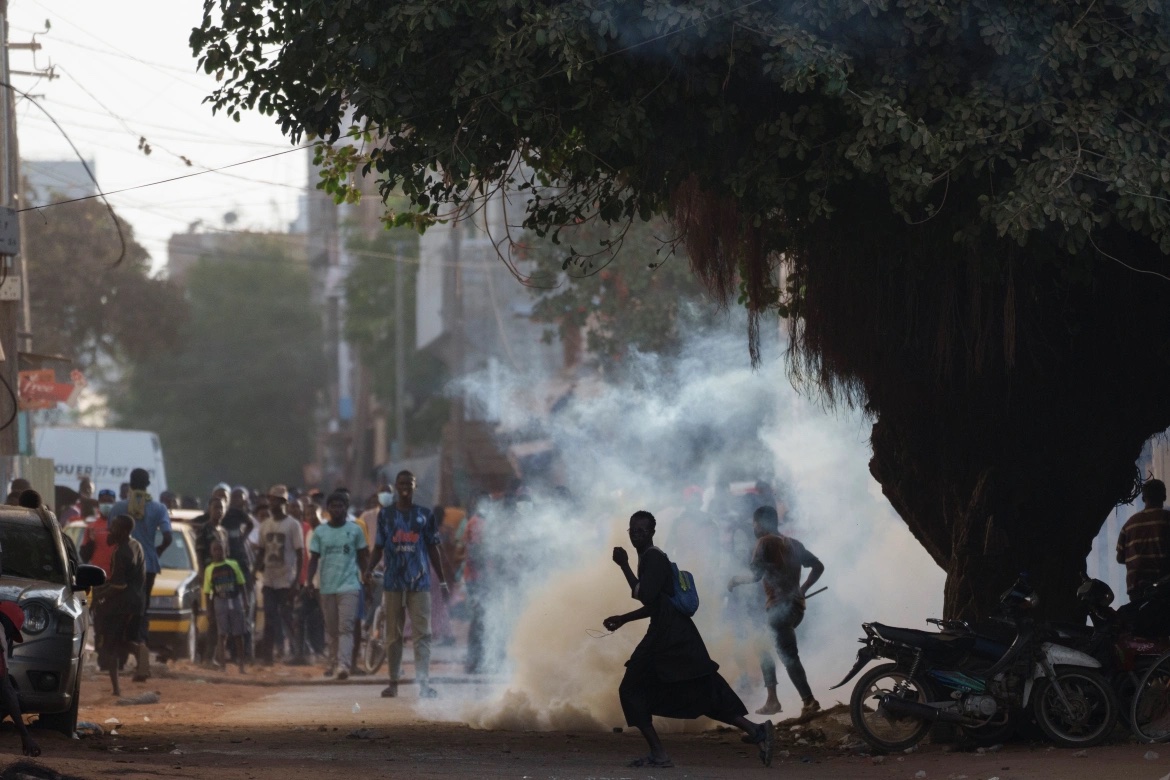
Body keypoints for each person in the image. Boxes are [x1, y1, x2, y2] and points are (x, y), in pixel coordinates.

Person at [604, 510, 773, 769]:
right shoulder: (649, 557)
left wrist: (624, 565)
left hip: (667, 637)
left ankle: (659, 754)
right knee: (702, 691)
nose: (636, 535)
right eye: (632, 530)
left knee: (631, 689)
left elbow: (646, 596)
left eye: (641, 531)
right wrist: (624, 619)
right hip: (676, 635)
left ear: (651, 532)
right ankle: (756, 731)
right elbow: (657, 604)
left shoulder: (653, 558)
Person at [727, 505, 824, 717]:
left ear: (761, 524)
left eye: (754, 524)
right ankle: (773, 700)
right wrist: (803, 589)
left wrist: (735, 580)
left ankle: (808, 701)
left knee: (788, 655)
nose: (753, 528)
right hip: (796, 608)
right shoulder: (794, 543)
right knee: (766, 647)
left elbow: (755, 576)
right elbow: (818, 566)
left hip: (779, 608)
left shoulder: (764, 542)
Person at [366, 470, 449, 698]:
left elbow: (433, 548)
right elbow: (378, 547)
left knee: (423, 634)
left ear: (414, 486)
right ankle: (393, 682)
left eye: (409, 483)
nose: (405, 487)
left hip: (419, 583)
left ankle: (424, 684)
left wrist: (442, 580)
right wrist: (368, 569)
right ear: (396, 485)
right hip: (393, 582)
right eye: (401, 483)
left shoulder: (425, 515)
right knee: (393, 635)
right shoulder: (386, 515)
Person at [109, 468, 172, 681]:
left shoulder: (119, 508)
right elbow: (168, 537)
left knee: (120, 611)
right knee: (142, 610)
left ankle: (120, 659)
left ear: (130, 484)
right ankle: (141, 655)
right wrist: (156, 551)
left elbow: (111, 536)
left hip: (125, 565)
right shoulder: (159, 508)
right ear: (148, 485)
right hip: (149, 566)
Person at [308, 491, 368, 680]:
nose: (337, 509)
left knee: (346, 627)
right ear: (327, 509)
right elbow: (313, 559)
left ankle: (344, 665)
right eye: (333, 506)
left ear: (346, 508)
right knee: (332, 629)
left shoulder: (355, 530)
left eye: (340, 506)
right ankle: (333, 662)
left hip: (349, 585)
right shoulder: (320, 532)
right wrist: (309, 582)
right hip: (327, 586)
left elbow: (363, 558)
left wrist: (367, 580)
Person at [93, 515, 146, 697]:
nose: (110, 530)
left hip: (121, 604)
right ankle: (140, 651)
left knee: (110, 646)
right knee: (122, 641)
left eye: (114, 527)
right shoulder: (136, 545)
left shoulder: (120, 552)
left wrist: (98, 595)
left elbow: (119, 585)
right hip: (137, 602)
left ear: (123, 531)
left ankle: (116, 689)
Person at [258, 487, 303, 665]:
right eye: (270, 500)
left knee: (287, 616)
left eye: (275, 500)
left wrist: (296, 581)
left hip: (286, 580)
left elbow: (300, 554)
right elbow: (261, 552)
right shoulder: (265, 525)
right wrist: (255, 572)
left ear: (283, 502)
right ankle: (268, 655)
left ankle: (296, 652)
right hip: (269, 579)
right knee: (270, 616)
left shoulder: (293, 525)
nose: (272, 503)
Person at [1118, 479, 1170, 599]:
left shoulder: (1129, 525)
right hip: (1164, 589)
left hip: (1136, 590)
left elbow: (1120, 558)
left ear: (1143, 499)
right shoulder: (1167, 519)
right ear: (1164, 497)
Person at [203, 540, 248, 673]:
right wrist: (209, 610)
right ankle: (222, 666)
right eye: (215, 550)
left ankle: (241, 665)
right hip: (220, 601)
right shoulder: (209, 569)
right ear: (211, 552)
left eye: (220, 549)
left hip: (234, 600)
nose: (218, 552)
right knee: (222, 634)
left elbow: (241, 584)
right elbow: (207, 592)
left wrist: (245, 601)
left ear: (225, 551)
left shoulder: (233, 564)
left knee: (238, 634)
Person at [80, 490, 117, 576]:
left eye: (109, 501)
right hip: (97, 575)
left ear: (114, 503)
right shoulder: (91, 527)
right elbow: (84, 556)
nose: (106, 504)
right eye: (103, 501)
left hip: (116, 576)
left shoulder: (119, 525)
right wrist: (91, 542)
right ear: (99, 504)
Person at [195, 496, 230, 572]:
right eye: (216, 508)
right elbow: (199, 553)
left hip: (222, 572)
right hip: (209, 571)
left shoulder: (224, 532)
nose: (219, 510)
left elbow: (227, 554)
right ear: (209, 509)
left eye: (221, 508)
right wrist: (202, 573)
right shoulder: (204, 529)